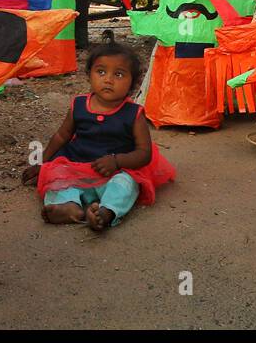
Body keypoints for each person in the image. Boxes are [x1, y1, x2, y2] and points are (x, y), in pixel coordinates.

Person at [23, 40, 175, 231]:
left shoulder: (133, 113)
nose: (108, 79)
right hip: (75, 167)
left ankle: (106, 212)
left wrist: (117, 161)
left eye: (118, 74)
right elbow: (61, 136)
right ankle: (69, 207)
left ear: (133, 83)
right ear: (89, 75)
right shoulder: (78, 105)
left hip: (114, 172)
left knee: (127, 184)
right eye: (101, 72)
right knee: (57, 175)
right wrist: (42, 164)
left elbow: (144, 154)